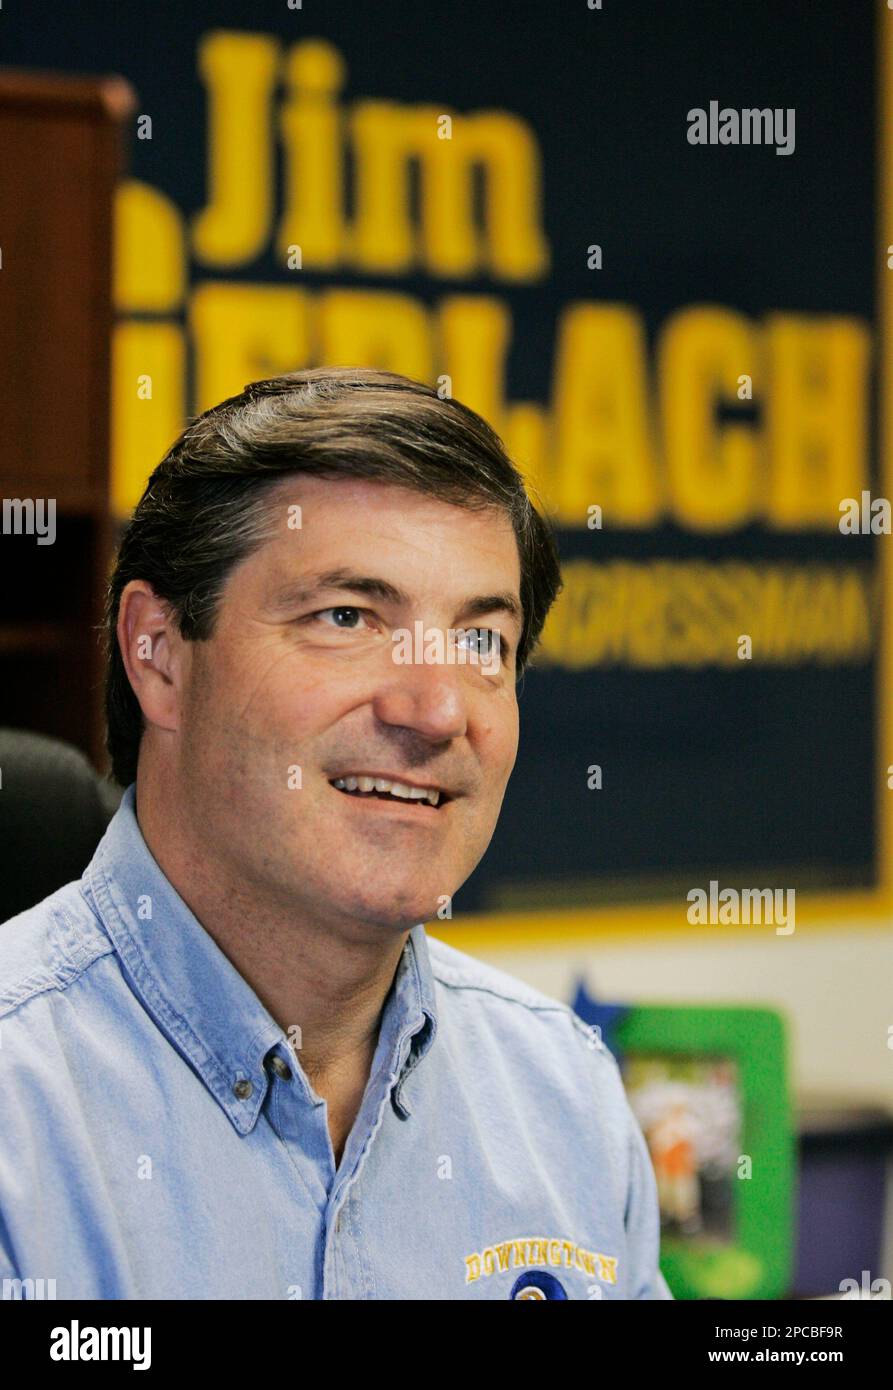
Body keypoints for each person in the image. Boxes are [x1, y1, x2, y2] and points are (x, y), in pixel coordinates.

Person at [0, 367, 672, 1300]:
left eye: (482, 643)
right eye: (347, 618)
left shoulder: (565, 1095)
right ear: (157, 655)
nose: (436, 710)